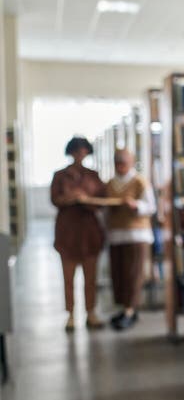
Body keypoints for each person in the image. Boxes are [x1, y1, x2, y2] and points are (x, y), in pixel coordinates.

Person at [50, 136, 106, 332]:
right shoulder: (60, 175)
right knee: (68, 276)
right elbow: (55, 199)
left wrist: (86, 199)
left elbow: (102, 201)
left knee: (91, 276)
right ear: (71, 152)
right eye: (76, 150)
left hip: (89, 231)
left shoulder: (93, 175)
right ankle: (71, 314)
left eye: (83, 150)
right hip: (68, 232)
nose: (79, 154)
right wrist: (70, 199)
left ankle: (91, 312)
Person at [105, 148, 157, 330]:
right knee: (118, 275)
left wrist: (135, 206)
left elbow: (151, 207)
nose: (120, 166)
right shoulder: (110, 183)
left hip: (136, 235)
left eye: (124, 162)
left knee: (133, 274)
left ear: (131, 162)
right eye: (117, 162)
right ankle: (124, 308)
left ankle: (130, 309)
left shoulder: (139, 181)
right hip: (116, 235)